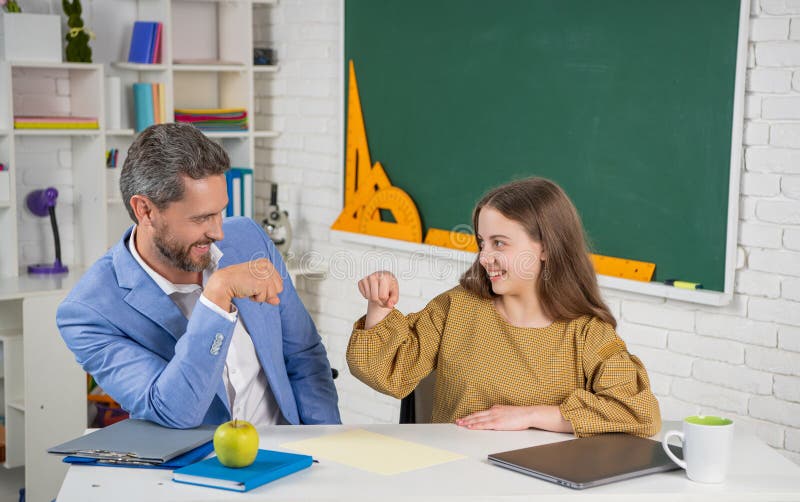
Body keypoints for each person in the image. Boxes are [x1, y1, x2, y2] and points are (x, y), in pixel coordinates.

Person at [57, 123, 340, 429]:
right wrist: (217, 298)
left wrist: (327, 447)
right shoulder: (89, 312)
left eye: (220, 212)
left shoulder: (247, 238)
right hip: (193, 470)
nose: (218, 232)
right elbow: (173, 411)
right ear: (145, 211)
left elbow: (304, 354)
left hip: (290, 457)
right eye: (202, 218)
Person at [347, 177, 660, 437]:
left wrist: (531, 416)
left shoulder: (588, 333)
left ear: (547, 249)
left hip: (543, 484)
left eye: (499, 243)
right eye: (482, 242)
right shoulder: (457, 307)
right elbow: (388, 373)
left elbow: (639, 412)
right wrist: (378, 308)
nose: (484, 257)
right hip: (453, 478)